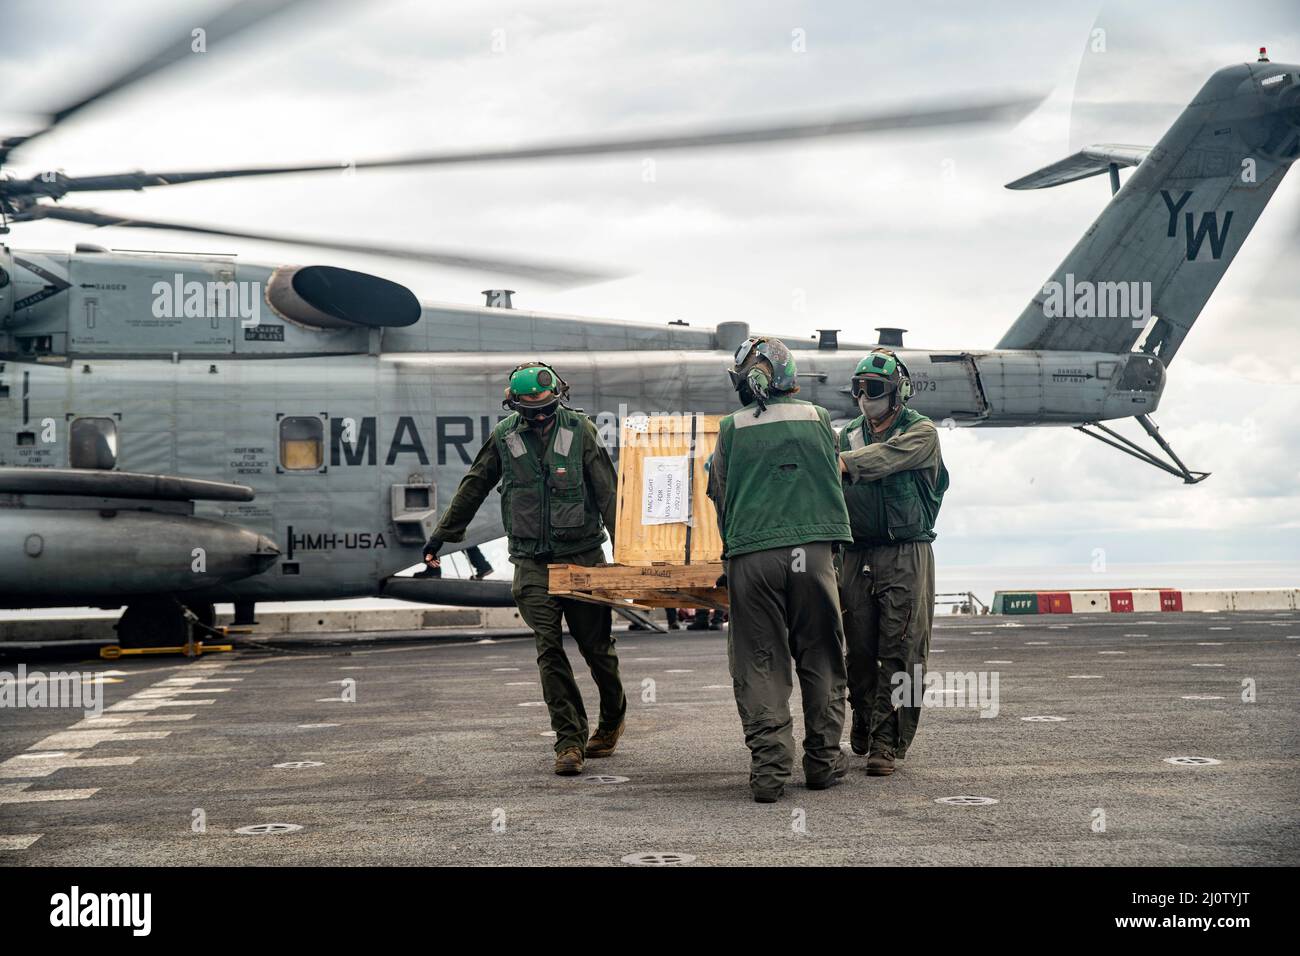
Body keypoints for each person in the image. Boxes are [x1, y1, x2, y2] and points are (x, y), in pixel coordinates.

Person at [422, 362, 626, 776]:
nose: (537, 411)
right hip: (532, 563)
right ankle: (569, 742)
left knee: (597, 650)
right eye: (529, 404)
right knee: (549, 649)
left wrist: (629, 550)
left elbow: (608, 492)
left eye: (543, 403)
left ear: (557, 397)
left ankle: (611, 720)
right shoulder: (505, 436)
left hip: (583, 557)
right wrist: (441, 536)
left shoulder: (581, 432)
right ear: (515, 403)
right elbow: (474, 484)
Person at [706, 337, 852, 803]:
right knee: (822, 655)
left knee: (760, 660)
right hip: (811, 554)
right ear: (789, 375)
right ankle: (823, 762)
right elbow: (833, 477)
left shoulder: (731, 428)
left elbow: (719, 493)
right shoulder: (819, 419)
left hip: (753, 558)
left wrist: (735, 552)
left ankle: (769, 771)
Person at [837, 349, 949, 777]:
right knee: (859, 650)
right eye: (860, 389)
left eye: (876, 389)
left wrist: (843, 463)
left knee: (901, 649)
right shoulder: (845, 435)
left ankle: (888, 741)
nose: (867, 397)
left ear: (897, 392)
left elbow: (886, 459)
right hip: (856, 553)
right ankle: (864, 718)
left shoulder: (920, 433)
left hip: (907, 552)